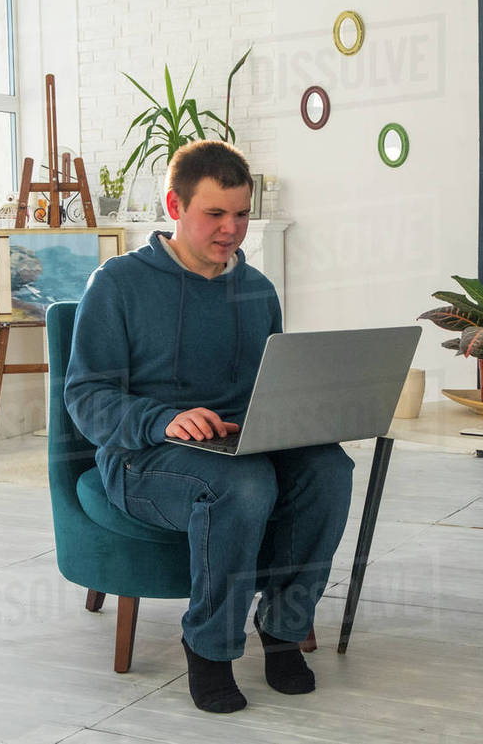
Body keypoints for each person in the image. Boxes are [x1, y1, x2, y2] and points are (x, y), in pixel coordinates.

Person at [64, 140, 354, 713]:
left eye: (241, 214)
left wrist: (302, 412)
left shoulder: (258, 289)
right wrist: (165, 419)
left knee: (329, 468)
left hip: (240, 444)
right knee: (242, 485)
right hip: (143, 456)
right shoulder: (117, 284)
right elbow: (85, 397)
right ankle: (210, 647)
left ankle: (283, 628)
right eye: (215, 213)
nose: (231, 229)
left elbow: (267, 385)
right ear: (175, 206)